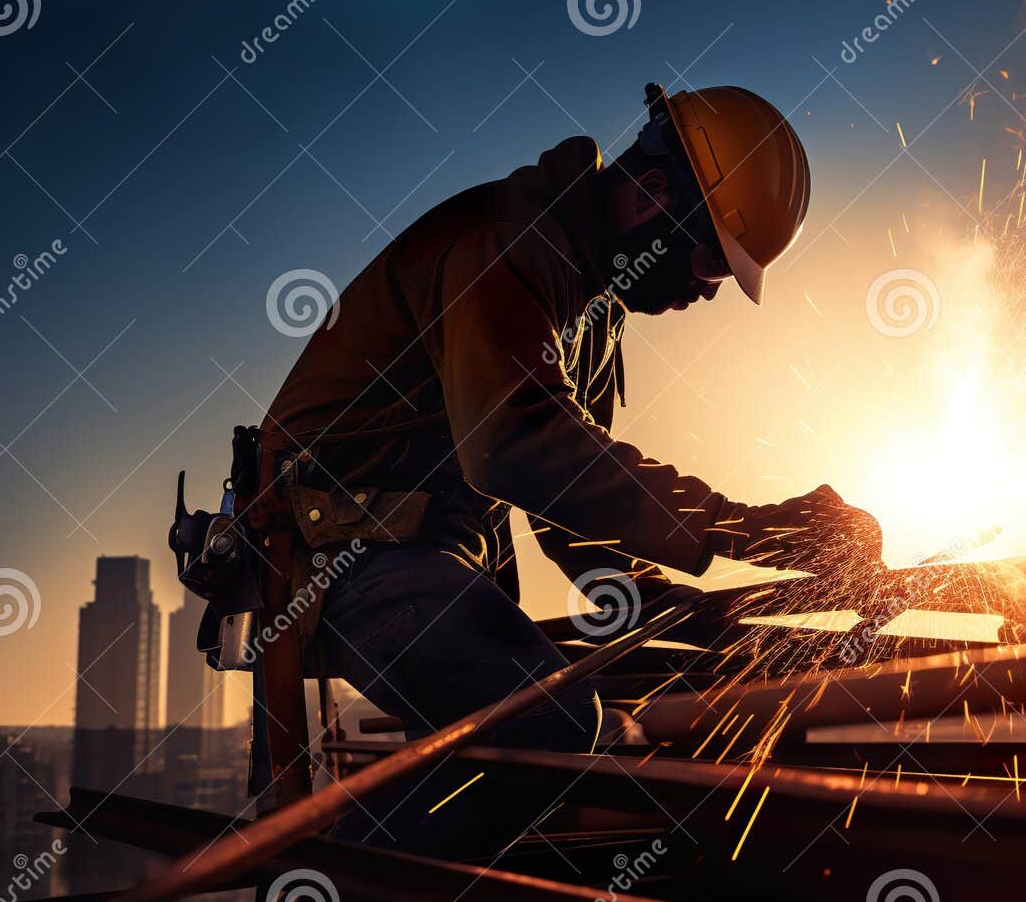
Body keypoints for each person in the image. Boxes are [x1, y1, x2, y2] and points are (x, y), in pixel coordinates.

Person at [259, 82, 882, 756]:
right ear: (650, 195)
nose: (706, 290)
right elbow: (515, 445)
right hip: (338, 556)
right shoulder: (504, 243)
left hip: (422, 560)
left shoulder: (592, 308)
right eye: (708, 262)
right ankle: (344, 867)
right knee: (549, 731)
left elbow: (569, 506)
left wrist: (689, 613)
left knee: (626, 714)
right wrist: (751, 529)